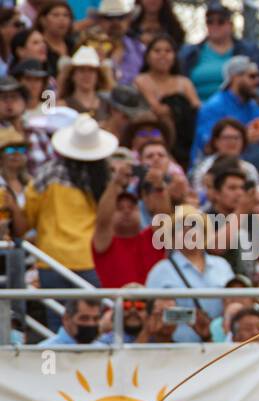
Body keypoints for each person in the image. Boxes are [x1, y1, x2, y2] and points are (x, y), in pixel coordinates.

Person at [11, 113, 113, 288]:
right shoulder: (105, 179)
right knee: (94, 314)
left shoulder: (48, 174)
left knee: (57, 315)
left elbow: (27, 218)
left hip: (52, 259)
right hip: (91, 258)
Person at [143, 203, 234, 342]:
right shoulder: (159, 271)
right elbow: (150, 314)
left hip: (217, 347)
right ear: (172, 237)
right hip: (175, 349)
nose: (189, 232)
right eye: (181, 228)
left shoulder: (222, 266)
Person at [91, 158, 168, 287]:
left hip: (151, 306)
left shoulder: (152, 240)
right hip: (116, 305)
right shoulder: (104, 243)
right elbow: (103, 220)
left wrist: (159, 186)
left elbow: (163, 217)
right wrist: (115, 183)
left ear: (140, 211)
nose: (126, 211)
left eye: (132, 207)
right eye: (119, 208)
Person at [179, 1, 259, 104]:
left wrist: (254, 100)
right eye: (210, 21)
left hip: (239, 109)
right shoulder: (189, 53)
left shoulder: (249, 51)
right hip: (198, 111)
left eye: (221, 21)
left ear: (230, 24)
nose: (215, 25)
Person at [132, 34, 198, 170]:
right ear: (147, 56)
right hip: (153, 136)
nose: (163, 55)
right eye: (157, 51)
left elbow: (196, 107)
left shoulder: (184, 82)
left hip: (183, 137)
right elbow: (156, 109)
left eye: (168, 51)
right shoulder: (141, 80)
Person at [190, 53, 259, 166]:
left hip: (241, 162)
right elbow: (207, 146)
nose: (257, 81)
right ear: (236, 77)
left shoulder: (251, 105)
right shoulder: (213, 106)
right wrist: (243, 138)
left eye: (258, 76)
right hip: (211, 167)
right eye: (252, 76)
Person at [188, 116, 258, 204]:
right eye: (227, 138)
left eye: (236, 138)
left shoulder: (250, 169)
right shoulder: (203, 169)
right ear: (216, 141)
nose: (232, 142)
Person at [82, 0, 145, 85]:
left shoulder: (140, 49)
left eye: (120, 18)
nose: (115, 22)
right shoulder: (88, 48)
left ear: (128, 20)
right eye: (109, 18)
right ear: (100, 21)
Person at [56, 45, 112, 118]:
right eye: (82, 70)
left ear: (98, 76)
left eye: (91, 70)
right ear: (72, 75)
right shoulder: (62, 107)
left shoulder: (108, 106)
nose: (87, 75)